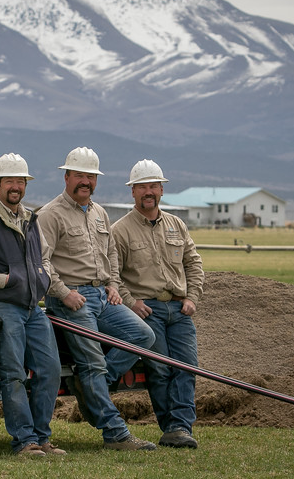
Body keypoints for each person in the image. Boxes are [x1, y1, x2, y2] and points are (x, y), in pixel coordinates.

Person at [37, 147, 157, 451]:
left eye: (90, 176)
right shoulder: (49, 215)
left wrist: (114, 284)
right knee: (91, 362)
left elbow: (111, 254)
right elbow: (40, 262)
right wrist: (64, 293)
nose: (85, 181)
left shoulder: (99, 213)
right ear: (66, 177)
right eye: (79, 175)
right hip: (71, 300)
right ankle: (115, 434)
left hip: (103, 296)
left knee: (142, 335)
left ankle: (92, 385)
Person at [0, 153, 66, 457]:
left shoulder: (31, 218)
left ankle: (42, 437)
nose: (16, 186)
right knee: (14, 372)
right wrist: (3, 281)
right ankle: (24, 441)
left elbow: (44, 256)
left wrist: (41, 277)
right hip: (0, 306)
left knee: (50, 370)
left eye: (21, 181)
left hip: (32, 307)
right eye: (10, 181)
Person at [112, 159, 204, 449]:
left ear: (162, 189)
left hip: (179, 309)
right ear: (133, 192)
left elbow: (193, 263)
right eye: (142, 187)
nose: (148, 191)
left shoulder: (176, 225)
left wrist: (192, 297)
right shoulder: (120, 231)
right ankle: (171, 428)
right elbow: (112, 276)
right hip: (147, 310)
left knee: (187, 367)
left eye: (153, 185)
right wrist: (130, 303)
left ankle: (181, 426)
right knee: (161, 369)